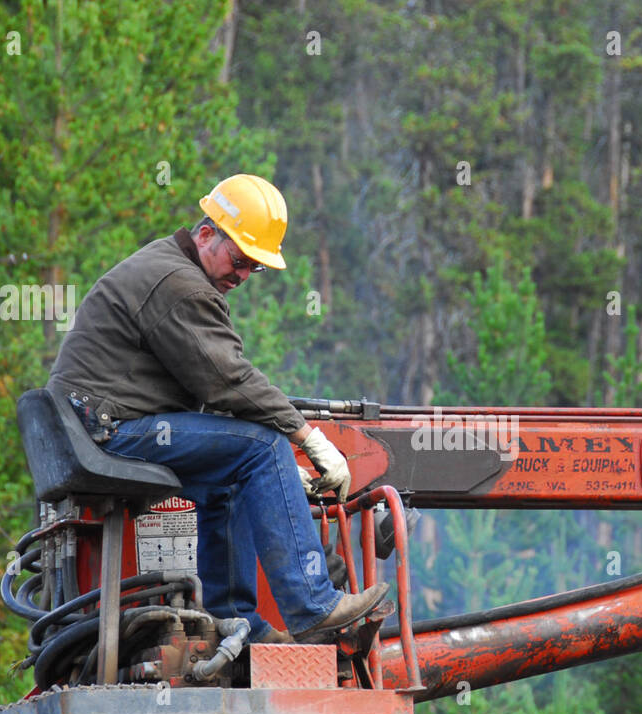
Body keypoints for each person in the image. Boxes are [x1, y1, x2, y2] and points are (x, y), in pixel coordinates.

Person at [45, 173, 387, 643]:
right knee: (262, 448)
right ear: (206, 234)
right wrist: (307, 439)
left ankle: (238, 623)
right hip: (105, 432)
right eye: (240, 259)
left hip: (97, 428)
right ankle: (315, 604)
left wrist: (280, 480)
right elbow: (229, 380)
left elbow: (214, 390)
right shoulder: (179, 285)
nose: (243, 275)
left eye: (254, 267)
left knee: (242, 469)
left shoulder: (170, 268)